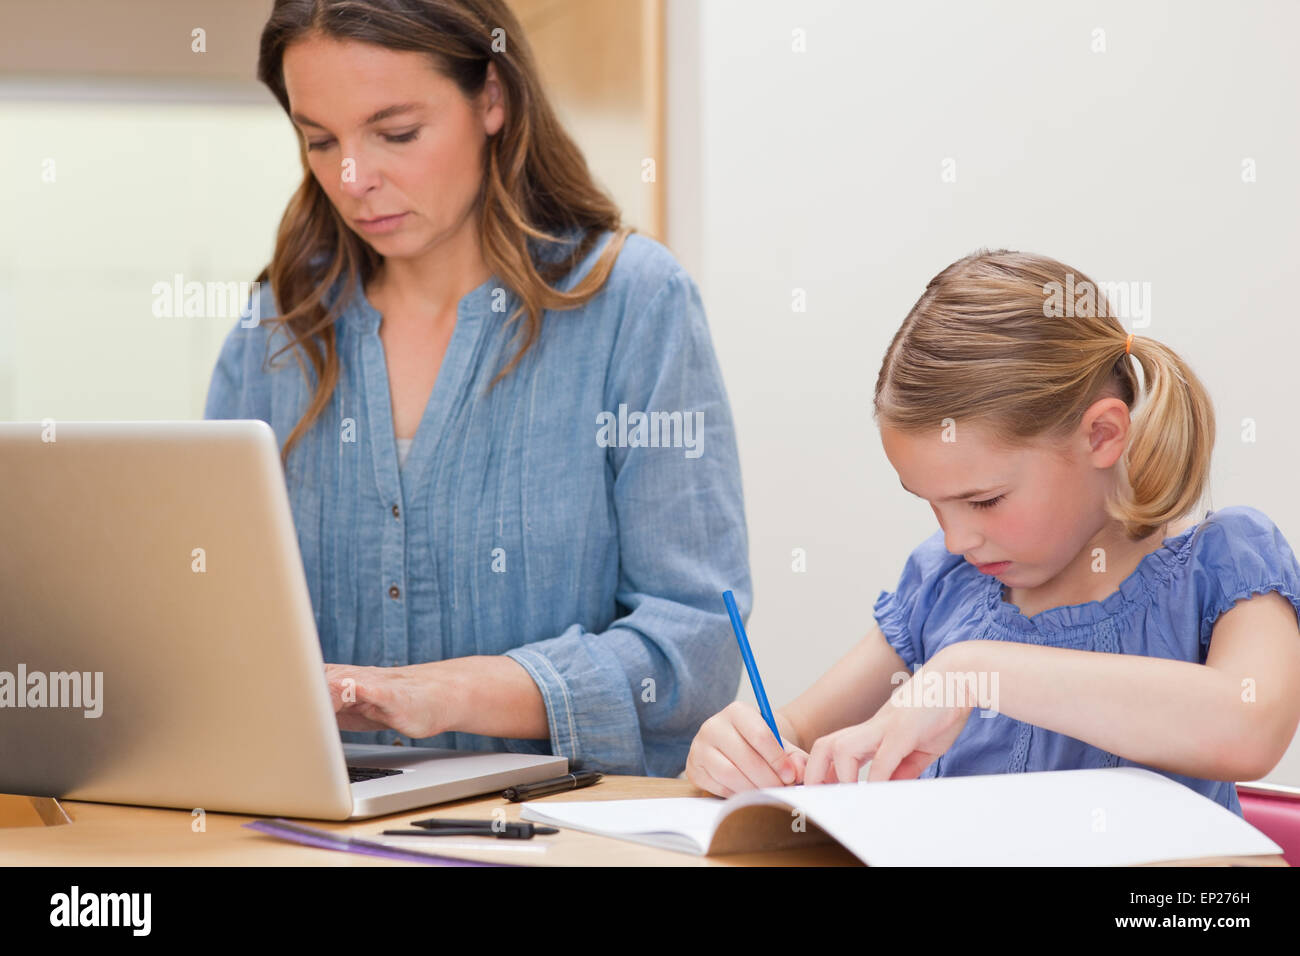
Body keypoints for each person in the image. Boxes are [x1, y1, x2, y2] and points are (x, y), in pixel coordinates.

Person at [204, 0, 749, 776]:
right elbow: (213, 618)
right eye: (319, 140)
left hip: (566, 837)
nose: (352, 179)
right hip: (313, 834)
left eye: (396, 133)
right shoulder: (276, 333)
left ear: (492, 97)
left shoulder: (633, 304)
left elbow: (695, 643)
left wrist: (450, 693)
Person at [686, 249, 1300, 815]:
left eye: (984, 500)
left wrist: (973, 673)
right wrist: (743, 749)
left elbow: (1249, 725)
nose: (956, 540)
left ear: (1102, 436)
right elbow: (793, 729)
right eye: (932, 504)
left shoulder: (1223, 564)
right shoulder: (946, 583)